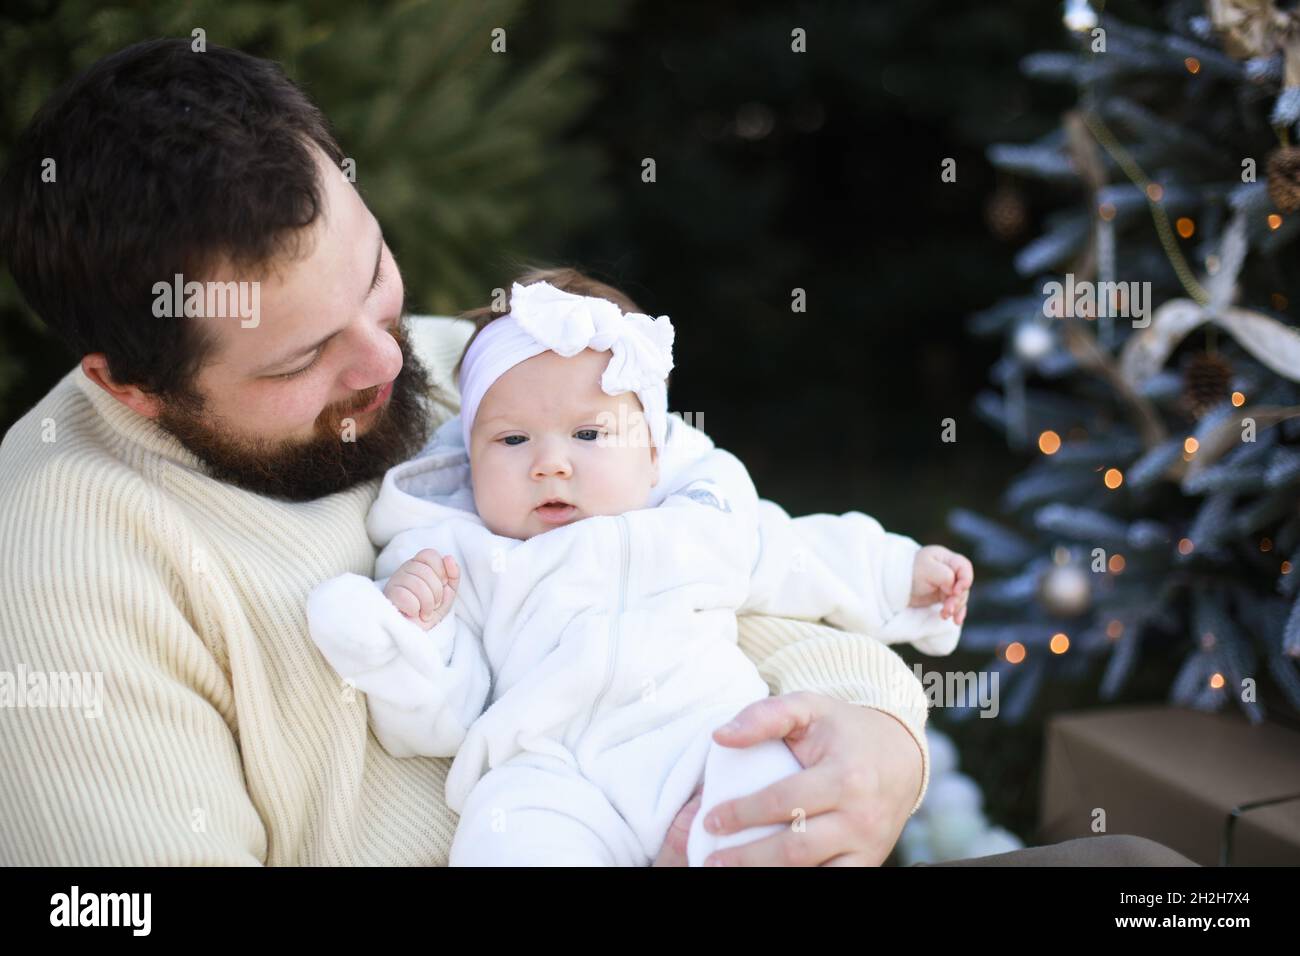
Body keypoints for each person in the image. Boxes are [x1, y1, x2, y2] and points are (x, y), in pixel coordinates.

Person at [0, 37, 1197, 868]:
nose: (384, 359)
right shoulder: (59, 569)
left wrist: (874, 739)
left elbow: (724, 557)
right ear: (136, 387)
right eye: (295, 362)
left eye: (373, 272)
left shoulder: (460, 365)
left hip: (712, 811)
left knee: (1153, 876)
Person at [306, 272, 972, 866]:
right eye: (511, 440)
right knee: (502, 837)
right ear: (468, 459)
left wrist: (898, 574)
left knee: (768, 801)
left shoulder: (699, 522)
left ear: (653, 454)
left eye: (589, 435)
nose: (550, 464)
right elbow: (446, 710)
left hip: (704, 737)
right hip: (545, 766)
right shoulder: (462, 554)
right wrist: (410, 630)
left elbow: (801, 554)